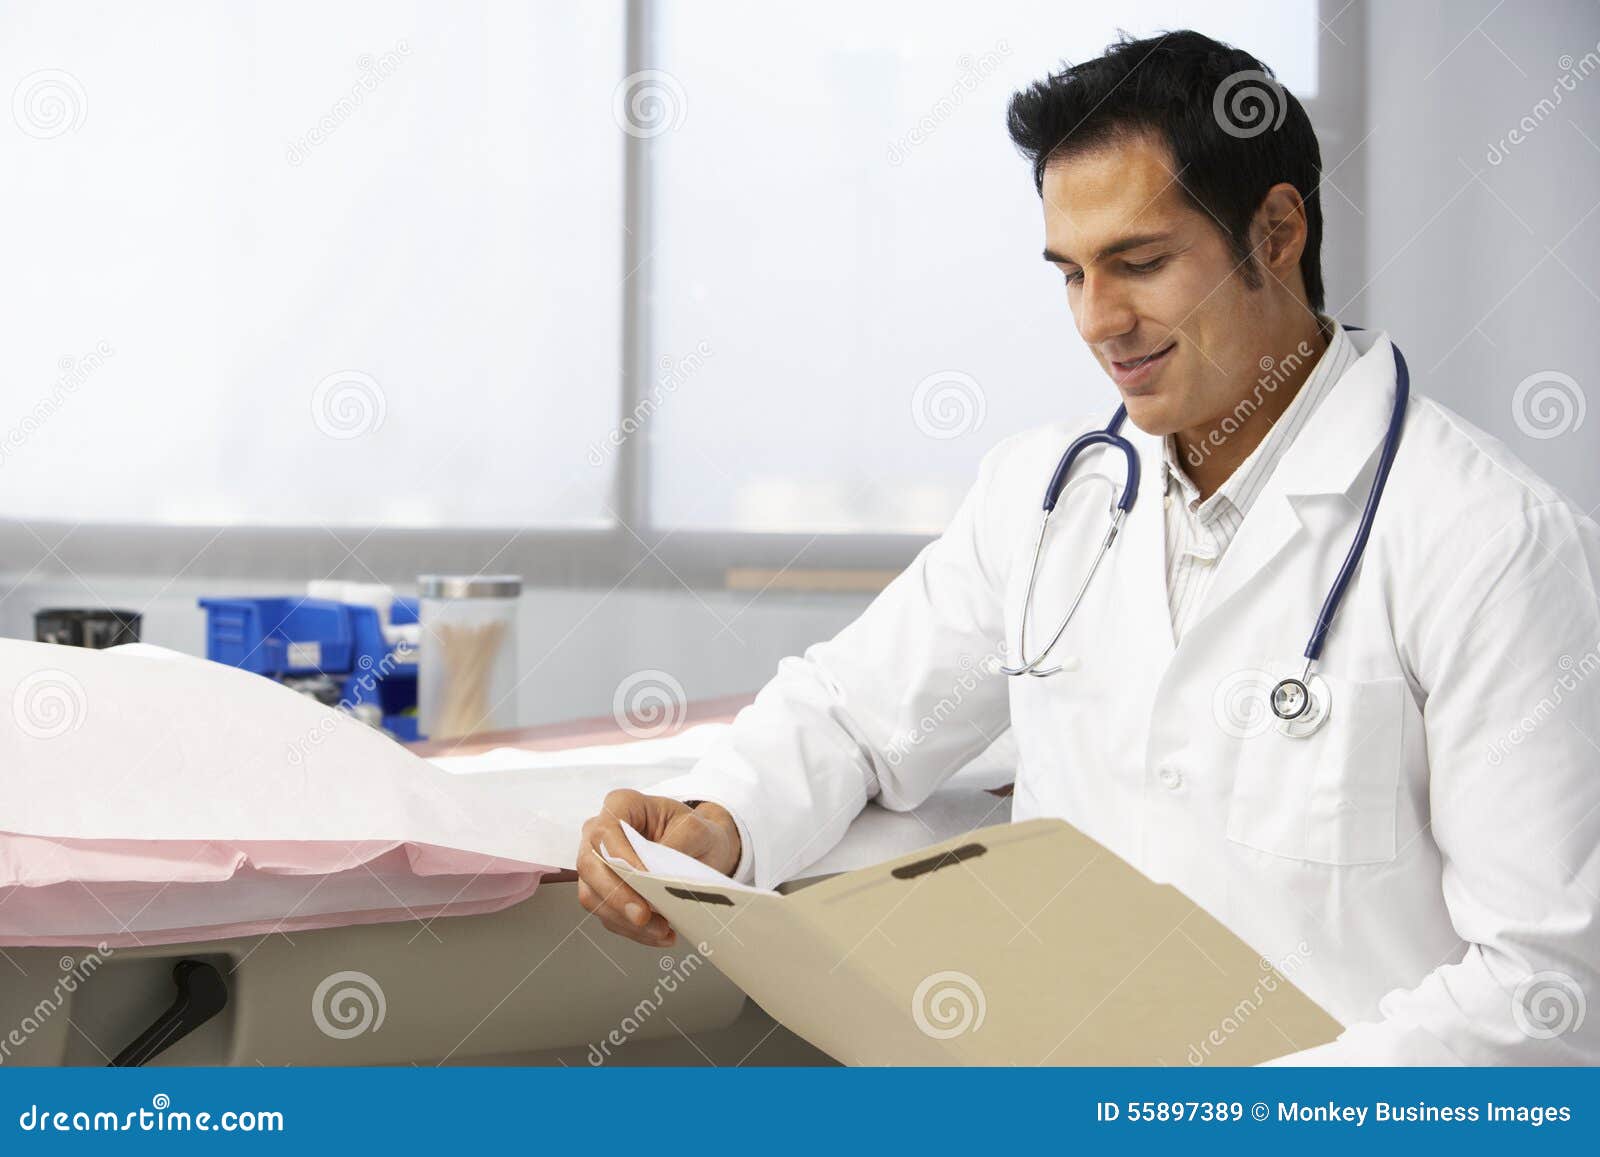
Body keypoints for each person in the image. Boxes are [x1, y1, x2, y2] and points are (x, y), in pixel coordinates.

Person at [577, 30, 1600, 1064]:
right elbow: (855, 714)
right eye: (1068, 272)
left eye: (1140, 263)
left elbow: (1548, 986)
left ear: (1276, 230)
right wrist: (719, 823)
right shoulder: (1045, 497)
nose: (1097, 319)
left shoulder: (1491, 543)